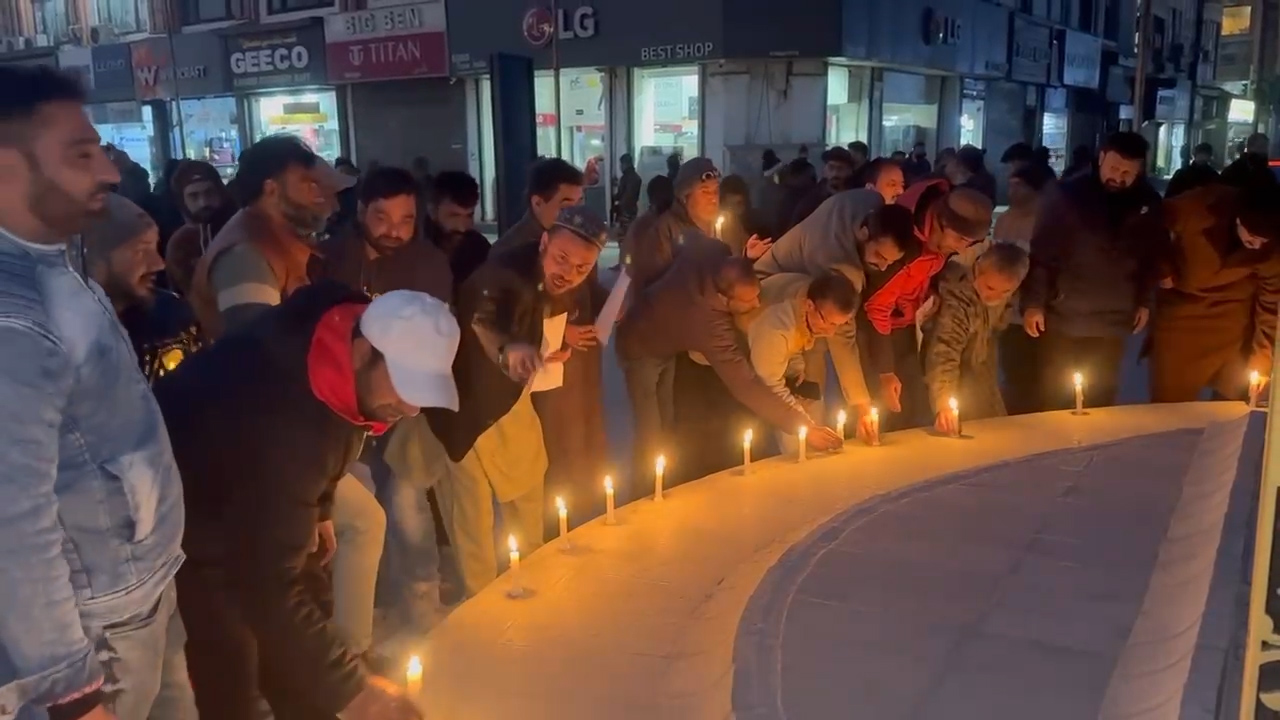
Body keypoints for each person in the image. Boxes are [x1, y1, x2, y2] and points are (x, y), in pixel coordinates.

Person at [159, 284, 451, 720]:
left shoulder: (338, 320)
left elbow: (342, 427)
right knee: (231, 653)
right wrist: (354, 693)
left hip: (252, 476)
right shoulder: (288, 425)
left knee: (306, 604)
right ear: (361, 351)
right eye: (404, 385)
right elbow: (266, 585)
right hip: (181, 504)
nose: (410, 408)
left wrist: (322, 505)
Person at [0, 64, 194, 720]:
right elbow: (12, 517)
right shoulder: (12, 320)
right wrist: (72, 689)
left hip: (141, 593)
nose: (109, 171)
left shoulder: (52, 259)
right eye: (81, 155)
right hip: (101, 636)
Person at [425, 206, 606, 598]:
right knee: (471, 514)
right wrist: (511, 348)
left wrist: (541, 347)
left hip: (510, 399)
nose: (568, 273)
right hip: (465, 406)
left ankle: (534, 581)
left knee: (528, 486)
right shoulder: (501, 273)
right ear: (543, 242)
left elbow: (529, 313)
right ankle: (481, 605)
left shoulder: (546, 278)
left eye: (582, 268)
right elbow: (487, 316)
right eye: (561, 259)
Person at [617, 247, 842, 493]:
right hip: (640, 346)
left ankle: (665, 482)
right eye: (748, 301)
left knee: (668, 419)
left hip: (666, 334)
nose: (758, 303)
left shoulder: (713, 254)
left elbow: (685, 249)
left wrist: (747, 255)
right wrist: (804, 426)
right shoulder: (709, 325)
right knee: (651, 427)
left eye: (757, 294)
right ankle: (643, 495)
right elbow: (745, 384)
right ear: (725, 300)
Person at [1022, 131, 1167, 410]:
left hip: (1114, 316)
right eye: (1114, 168)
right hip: (1065, 313)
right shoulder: (1067, 195)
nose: (1119, 176)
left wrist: (1145, 301)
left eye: (1128, 172)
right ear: (1100, 158)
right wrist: (1034, 303)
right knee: (1056, 393)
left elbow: (1151, 256)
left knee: (1102, 392)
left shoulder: (1147, 202)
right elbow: (1043, 253)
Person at [755, 192, 917, 431]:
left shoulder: (869, 200)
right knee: (826, 322)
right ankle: (802, 414)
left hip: (796, 291)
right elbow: (843, 335)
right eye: (879, 256)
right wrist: (861, 404)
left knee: (821, 325)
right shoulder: (840, 266)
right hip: (764, 294)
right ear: (864, 233)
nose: (883, 267)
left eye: (890, 262)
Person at [189, 135, 355, 339]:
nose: (330, 205)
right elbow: (256, 348)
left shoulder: (277, 240)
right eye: (310, 186)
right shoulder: (245, 257)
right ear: (271, 190)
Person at [864, 181, 994, 428]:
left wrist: (929, 293)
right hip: (877, 337)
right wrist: (885, 370)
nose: (960, 248)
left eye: (968, 243)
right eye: (958, 239)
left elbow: (926, 273)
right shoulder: (905, 246)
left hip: (907, 327)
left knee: (914, 406)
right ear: (939, 222)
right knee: (886, 413)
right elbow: (876, 307)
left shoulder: (940, 244)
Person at [1149, 184, 1280, 402]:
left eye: (1263, 242)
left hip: (1234, 325)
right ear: (1239, 218)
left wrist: (1262, 362)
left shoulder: (1271, 246)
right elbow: (1152, 223)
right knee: (1169, 407)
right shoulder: (1202, 206)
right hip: (1182, 318)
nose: (1256, 246)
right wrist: (1163, 266)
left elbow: (1271, 305)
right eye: (1252, 237)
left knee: (1232, 410)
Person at [82, 194, 202, 384]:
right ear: (93, 258)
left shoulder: (174, 321)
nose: (159, 264)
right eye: (140, 251)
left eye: (155, 248)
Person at [923, 243, 1029, 435]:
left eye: (1005, 292)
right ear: (978, 268)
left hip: (980, 364)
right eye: (990, 287)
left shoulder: (1000, 291)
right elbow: (944, 350)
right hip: (949, 376)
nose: (994, 296)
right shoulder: (958, 299)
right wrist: (944, 402)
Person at [747, 271, 859, 452]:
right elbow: (767, 386)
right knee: (795, 446)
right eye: (828, 322)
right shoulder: (776, 330)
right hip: (750, 386)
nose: (831, 333)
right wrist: (807, 428)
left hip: (776, 381)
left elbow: (793, 350)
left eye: (838, 325)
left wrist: (796, 374)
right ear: (809, 305)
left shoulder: (800, 317)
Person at [314, 165, 452, 303]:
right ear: (362, 212)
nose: (393, 232)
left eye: (405, 221)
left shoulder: (432, 266)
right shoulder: (326, 260)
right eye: (382, 218)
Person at [629, 157, 770, 290]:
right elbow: (654, 283)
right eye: (705, 192)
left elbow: (737, 264)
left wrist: (747, 255)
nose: (713, 198)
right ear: (685, 197)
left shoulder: (728, 222)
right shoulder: (665, 230)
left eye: (715, 191)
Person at [992, 162, 1055, 414]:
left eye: (1018, 185)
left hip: (1038, 311)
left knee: (1038, 377)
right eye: (1010, 184)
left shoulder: (1047, 222)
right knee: (1014, 373)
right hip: (1007, 313)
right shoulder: (1005, 219)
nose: (1011, 190)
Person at [164, 159, 235, 297]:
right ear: (182, 200)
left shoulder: (240, 228)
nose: (204, 202)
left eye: (209, 193)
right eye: (193, 196)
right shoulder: (181, 243)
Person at [491, 158, 585, 254]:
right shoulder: (508, 254)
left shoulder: (579, 239)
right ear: (538, 203)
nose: (576, 216)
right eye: (566, 208)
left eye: (580, 204)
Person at [424, 170, 491, 286]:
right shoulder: (413, 251)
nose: (462, 227)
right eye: (454, 216)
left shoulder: (479, 247)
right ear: (432, 211)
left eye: (469, 216)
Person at [787, 146, 856, 230]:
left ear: (849, 171)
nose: (835, 173)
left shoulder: (855, 199)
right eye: (831, 168)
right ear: (824, 170)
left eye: (840, 169)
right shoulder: (811, 200)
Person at [719, 174, 773, 256]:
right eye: (729, 206)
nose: (734, 211)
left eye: (739, 204)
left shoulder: (759, 225)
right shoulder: (719, 227)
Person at [614, 152, 642, 233]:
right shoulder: (634, 177)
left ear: (626, 164)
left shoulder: (628, 178)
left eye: (621, 164)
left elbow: (627, 196)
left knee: (625, 233)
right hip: (631, 210)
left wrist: (619, 206)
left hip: (626, 212)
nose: (620, 167)